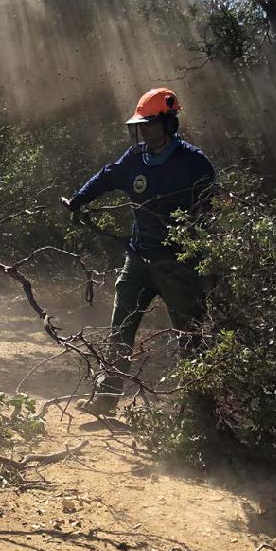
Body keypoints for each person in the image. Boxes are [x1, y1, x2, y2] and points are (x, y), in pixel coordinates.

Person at [64, 88, 215, 416]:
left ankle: (199, 412)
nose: (143, 132)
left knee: (189, 336)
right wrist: (78, 199)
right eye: (140, 126)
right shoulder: (135, 158)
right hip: (138, 260)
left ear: (169, 123)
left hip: (178, 265)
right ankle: (106, 397)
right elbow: (107, 176)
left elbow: (209, 209)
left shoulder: (194, 163)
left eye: (149, 125)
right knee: (120, 329)